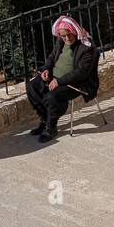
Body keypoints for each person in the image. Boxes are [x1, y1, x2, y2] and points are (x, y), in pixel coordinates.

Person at [25, 15, 100, 143]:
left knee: (51, 97)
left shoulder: (86, 47)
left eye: (68, 35)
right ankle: (45, 120)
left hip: (75, 83)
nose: (66, 38)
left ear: (74, 31)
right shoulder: (61, 41)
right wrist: (46, 69)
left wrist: (59, 81)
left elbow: (82, 73)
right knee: (31, 86)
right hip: (53, 77)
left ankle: (51, 128)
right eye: (62, 36)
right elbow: (52, 57)